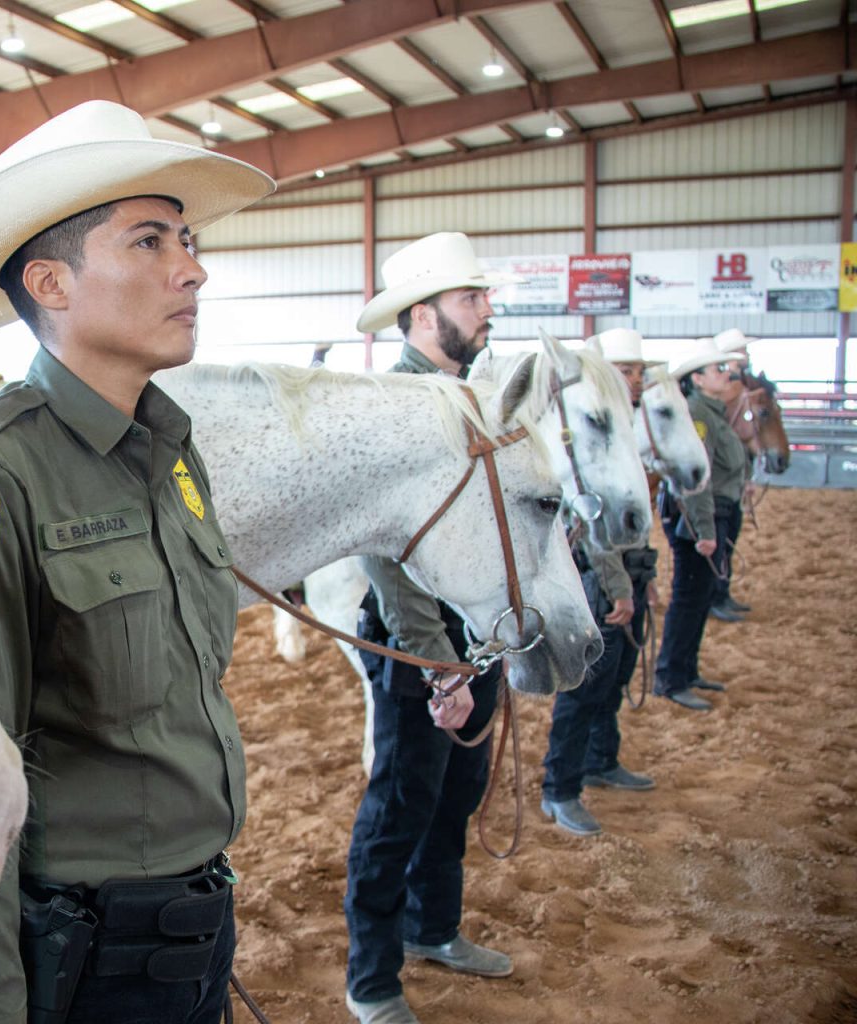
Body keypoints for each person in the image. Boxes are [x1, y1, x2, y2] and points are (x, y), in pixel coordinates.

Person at [0, 100, 274, 1024]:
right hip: (85, 950)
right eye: (149, 241)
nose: (193, 268)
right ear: (51, 283)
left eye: (185, 239)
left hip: (189, 922)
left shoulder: (168, 450)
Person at [344, 232, 521, 1024]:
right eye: (470, 299)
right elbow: (385, 557)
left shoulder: (466, 399)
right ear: (423, 317)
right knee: (400, 803)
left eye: (482, 298)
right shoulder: (392, 408)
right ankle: (371, 981)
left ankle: (434, 929)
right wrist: (437, 664)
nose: (486, 311)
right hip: (418, 639)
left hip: (472, 635)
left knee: (457, 792)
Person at [539, 328, 658, 837]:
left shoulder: (621, 425)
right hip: (601, 581)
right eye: (625, 370)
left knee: (613, 681)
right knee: (585, 690)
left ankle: (601, 759)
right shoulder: (588, 429)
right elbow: (588, 518)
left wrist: (644, 573)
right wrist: (620, 587)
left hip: (628, 574)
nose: (633, 379)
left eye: (636, 371)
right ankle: (560, 789)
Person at [653, 339, 749, 711]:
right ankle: (671, 677)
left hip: (713, 514)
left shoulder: (711, 411)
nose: (726, 375)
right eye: (717, 370)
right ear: (695, 379)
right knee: (689, 598)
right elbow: (697, 480)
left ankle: (685, 671)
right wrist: (705, 529)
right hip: (700, 518)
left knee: (699, 597)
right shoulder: (697, 414)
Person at [708, 326, 759, 620]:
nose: (746, 359)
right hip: (721, 483)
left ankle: (722, 593)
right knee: (722, 540)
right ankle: (717, 595)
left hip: (732, 479)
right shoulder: (729, 395)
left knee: (728, 539)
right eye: (742, 354)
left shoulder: (739, 392)